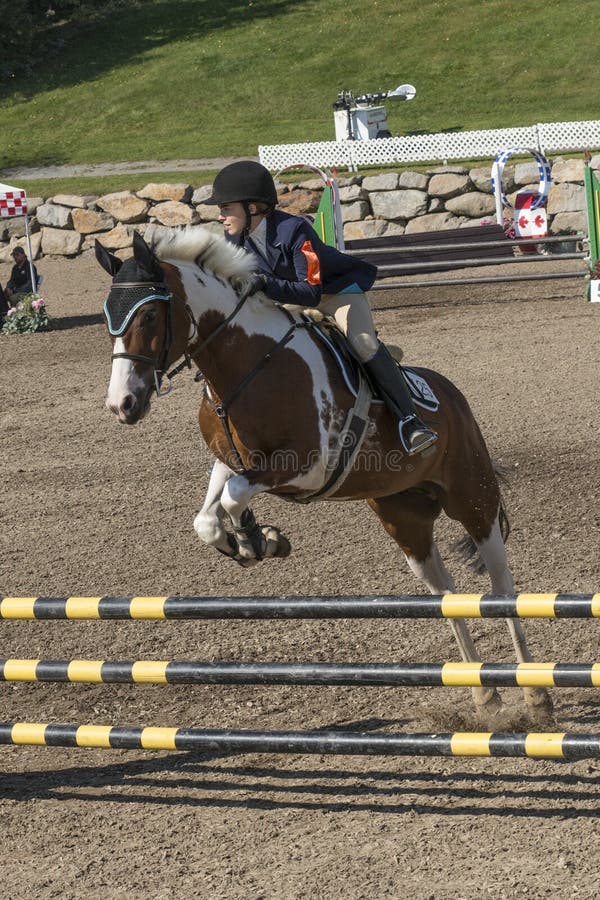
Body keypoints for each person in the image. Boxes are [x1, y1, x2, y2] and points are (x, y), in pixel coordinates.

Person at [207, 160, 437, 455]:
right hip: (290, 296)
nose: (220, 216)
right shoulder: (234, 236)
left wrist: (263, 283)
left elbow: (311, 291)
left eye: (226, 208)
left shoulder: (294, 231)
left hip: (335, 293)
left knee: (364, 344)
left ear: (252, 208)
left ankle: (410, 421)